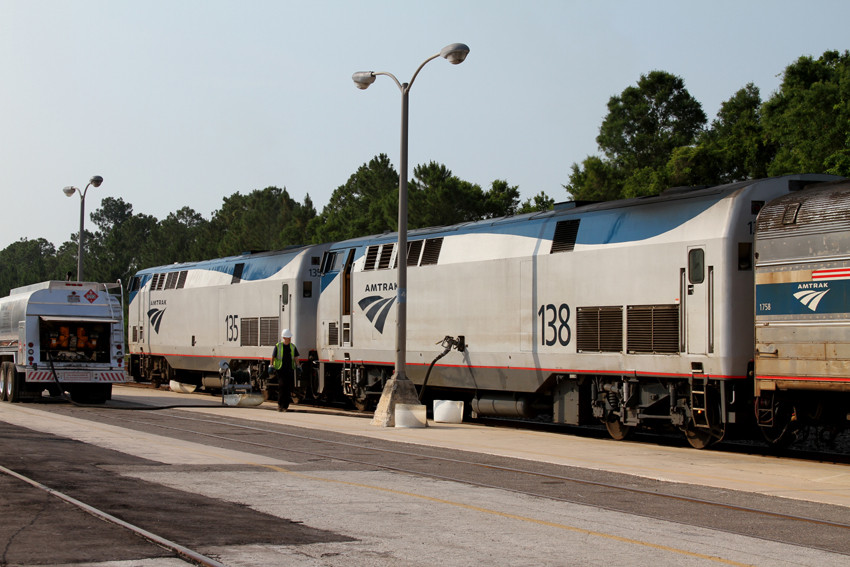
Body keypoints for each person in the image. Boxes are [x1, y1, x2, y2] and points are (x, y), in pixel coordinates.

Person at [271, 328, 299, 412]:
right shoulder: (278, 346)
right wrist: (271, 365)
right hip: (281, 369)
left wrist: (298, 366)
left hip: (289, 369)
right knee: (282, 386)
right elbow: (273, 356)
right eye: (288, 337)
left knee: (288, 388)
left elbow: (296, 357)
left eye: (290, 337)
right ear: (284, 338)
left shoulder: (292, 346)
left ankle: (285, 406)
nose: (289, 338)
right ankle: (280, 405)